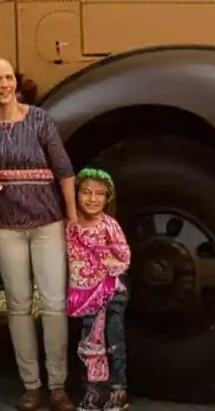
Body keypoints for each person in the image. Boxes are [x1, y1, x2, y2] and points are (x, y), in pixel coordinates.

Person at [0, 56, 79, 411]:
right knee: (17, 305)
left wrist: (72, 217)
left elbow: (64, 170)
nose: (5, 85)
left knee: (54, 303)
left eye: (8, 78)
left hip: (47, 223)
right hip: (4, 226)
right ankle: (31, 386)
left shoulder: (39, 119)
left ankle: (58, 386)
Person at [67, 168, 131, 411]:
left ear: (107, 198)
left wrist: (100, 264)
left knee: (113, 339)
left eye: (99, 194)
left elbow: (123, 255)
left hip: (108, 292)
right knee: (89, 343)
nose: (92, 199)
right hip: (84, 295)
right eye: (86, 192)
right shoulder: (71, 226)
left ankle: (117, 389)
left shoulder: (109, 225)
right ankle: (94, 391)